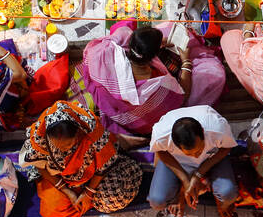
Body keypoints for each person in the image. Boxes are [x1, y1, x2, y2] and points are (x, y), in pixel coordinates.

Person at [73, 22, 223, 140]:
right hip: (134, 118)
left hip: (109, 101)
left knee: (161, 27)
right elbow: (183, 95)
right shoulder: (157, 86)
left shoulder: (104, 50)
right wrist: (186, 62)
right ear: (155, 56)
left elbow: (94, 49)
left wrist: (155, 44)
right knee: (214, 76)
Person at [19, 101, 143, 217]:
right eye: (56, 146)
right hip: (58, 177)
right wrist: (67, 191)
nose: (62, 151)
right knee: (56, 214)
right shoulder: (40, 134)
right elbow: (40, 166)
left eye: (67, 145)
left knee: (115, 197)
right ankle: (85, 201)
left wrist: (88, 193)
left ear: (78, 134)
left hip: (93, 173)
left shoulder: (91, 129)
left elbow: (104, 164)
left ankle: (85, 200)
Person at [147, 105, 238, 217]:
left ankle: (212, 191)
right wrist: (185, 180)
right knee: (157, 201)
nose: (196, 156)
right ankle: (181, 191)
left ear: (203, 132)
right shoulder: (161, 136)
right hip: (178, 161)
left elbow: (226, 148)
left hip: (211, 157)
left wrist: (198, 174)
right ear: (174, 143)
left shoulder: (217, 129)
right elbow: (161, 153)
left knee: (228, 194)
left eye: (200, 149)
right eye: (189, 154)